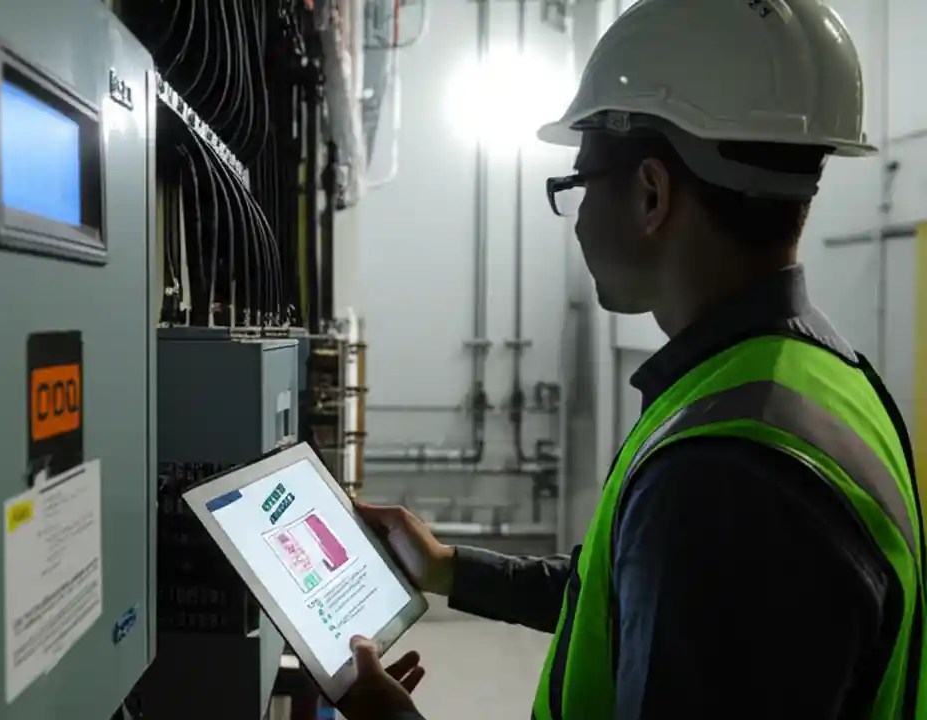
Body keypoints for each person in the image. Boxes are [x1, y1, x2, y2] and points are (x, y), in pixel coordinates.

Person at [337, 1, 925, 718]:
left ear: (651, 194)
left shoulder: (723, 477)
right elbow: (634, 598)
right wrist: (448, 569)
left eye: (579, 184)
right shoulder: (821, 376)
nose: (578, 219)